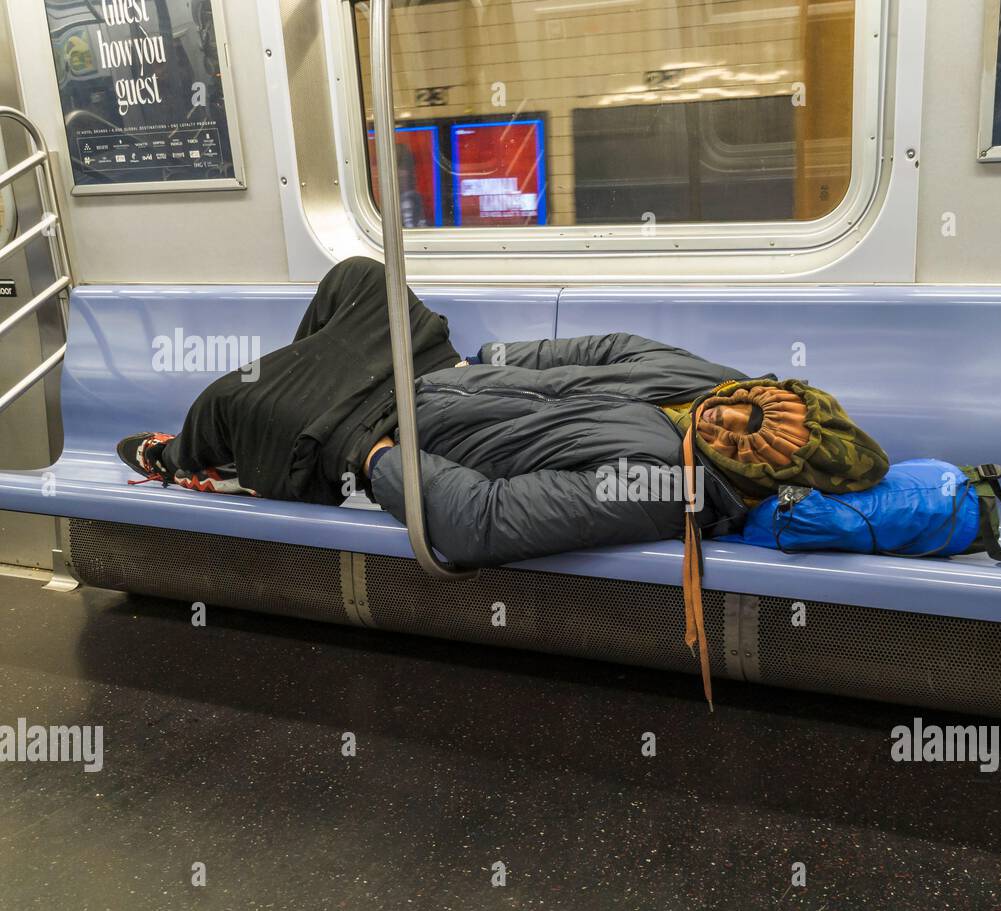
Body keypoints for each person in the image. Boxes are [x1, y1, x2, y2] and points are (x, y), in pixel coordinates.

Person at [118, 256, 888, 703]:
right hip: (433, 374)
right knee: (360, 276)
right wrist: (483, 362)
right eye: (754, 406)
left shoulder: (660, 485)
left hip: (392, 433)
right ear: (766, 389)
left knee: (235, 400)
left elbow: (476, 520)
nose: (731, 419)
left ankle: (187, 457)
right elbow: (610, 348)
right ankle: (286, 425)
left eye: (749, 441)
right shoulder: (705, 381)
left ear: (752, 480)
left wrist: (373, 457)